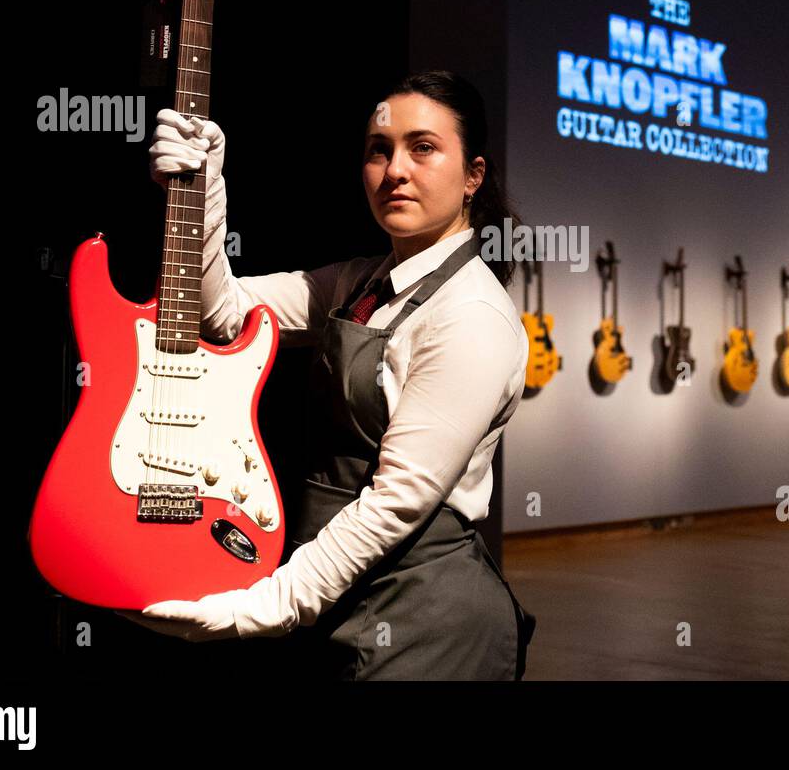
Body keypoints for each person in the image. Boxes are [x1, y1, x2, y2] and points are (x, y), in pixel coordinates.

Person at [119, 70, 535, 679]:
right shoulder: (360, 281)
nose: (395, 170)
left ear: (473, 175)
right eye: (379, 150)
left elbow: (394, 506)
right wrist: (199, 192)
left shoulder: (472, 315)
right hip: (338, 594)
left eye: (423, 147)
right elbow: (222, 312)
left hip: (425, 617)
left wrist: (257, 609)